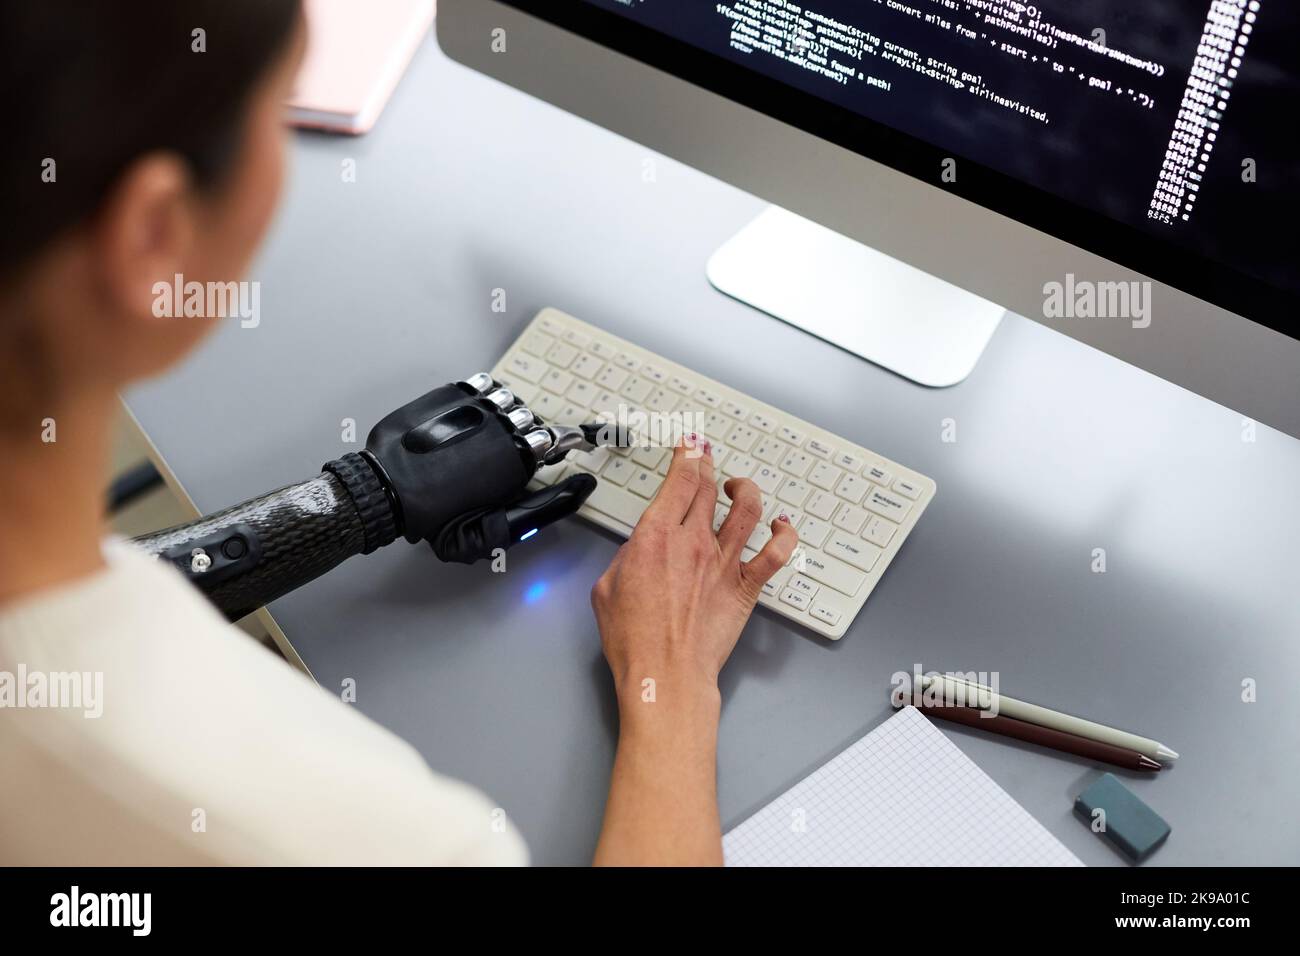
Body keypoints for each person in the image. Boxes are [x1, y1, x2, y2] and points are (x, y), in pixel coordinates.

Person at [0, 1, 796, 866]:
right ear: (153, 235)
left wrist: (367, 497)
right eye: (280, 112)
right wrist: (672, 687)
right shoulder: (365, 834)